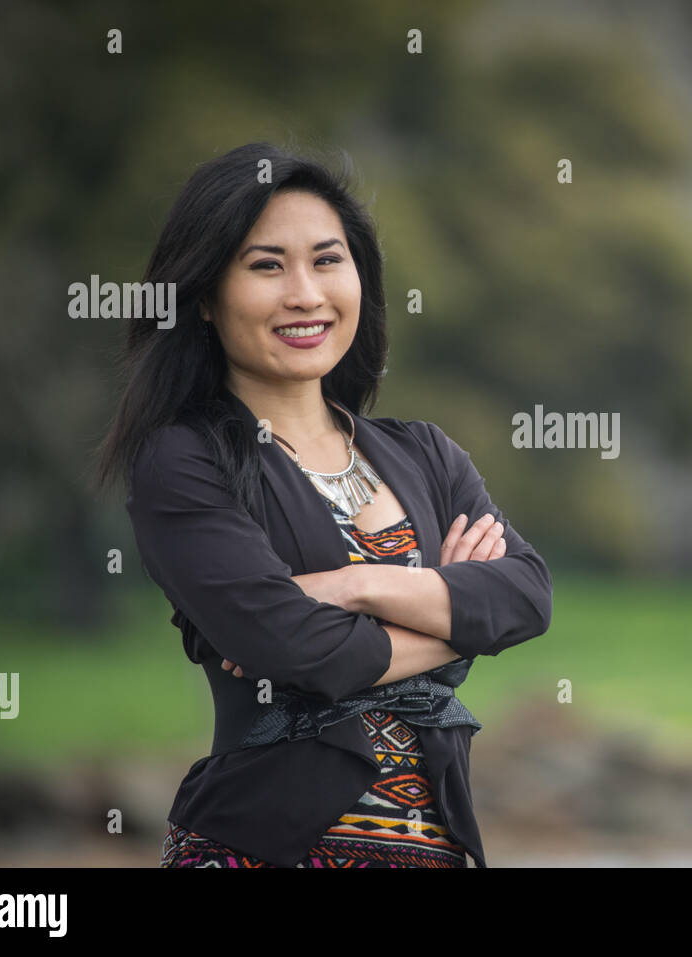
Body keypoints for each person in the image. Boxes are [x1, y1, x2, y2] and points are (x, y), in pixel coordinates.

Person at [93, 143, 553, 867]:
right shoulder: (184, 462)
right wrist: (458, 623)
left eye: (328, 260)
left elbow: (526, 595)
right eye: (266, 265)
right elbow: (291, 648)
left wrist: (356, 584)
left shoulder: (425, 454)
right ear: (207, 297)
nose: (305, 293)